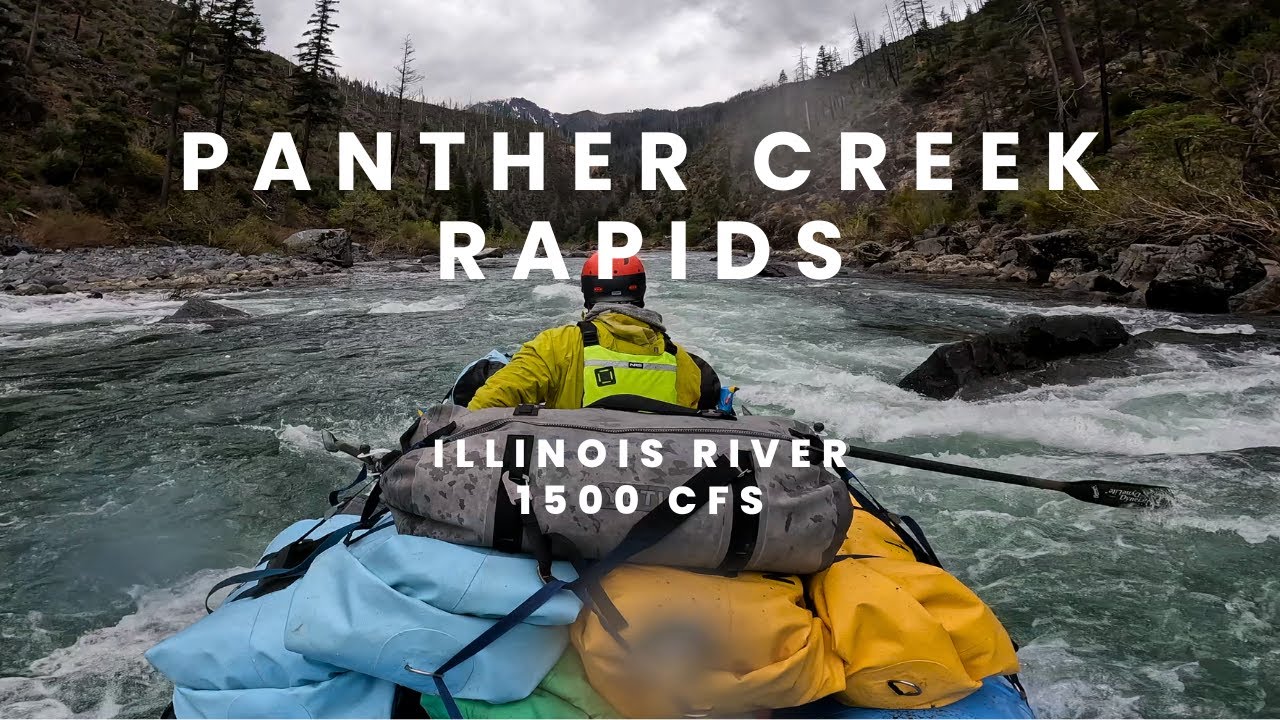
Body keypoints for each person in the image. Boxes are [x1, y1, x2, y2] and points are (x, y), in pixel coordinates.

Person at [467, 253, 722, 411]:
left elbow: (486, 404)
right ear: (640, 291)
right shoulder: (684, 363)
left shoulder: (556, 345)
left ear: (588, 292)